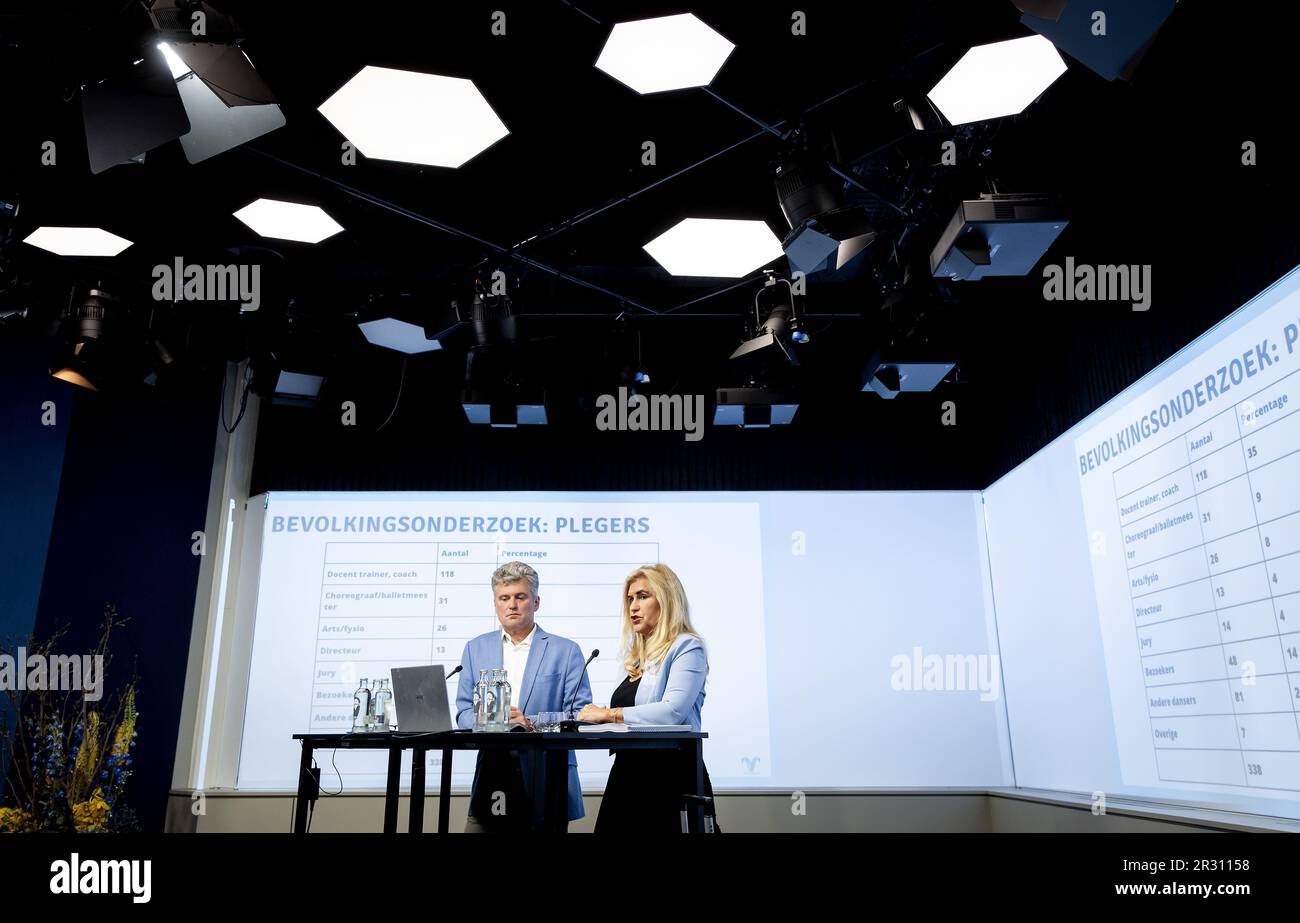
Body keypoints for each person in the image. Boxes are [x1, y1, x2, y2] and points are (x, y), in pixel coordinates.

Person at [577, 563, 718, 832]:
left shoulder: (687, 647)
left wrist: (609, 714)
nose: (633, 606)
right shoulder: (636, 658)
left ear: (666, 600)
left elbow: (672, 712)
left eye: (643, 596)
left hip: (670, 775)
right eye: (630, 599)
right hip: (629, 771)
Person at [455, 561, 592, 831]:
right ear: (495, 603)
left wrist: (530, 723)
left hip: (547, 778)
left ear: (536, 602)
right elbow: (463, 714)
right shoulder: (474, 649)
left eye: (520, 597)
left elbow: (580, 715)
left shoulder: (566, 651)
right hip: (492, 774)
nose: (512, 605)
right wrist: (495, 721)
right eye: (504, 598)